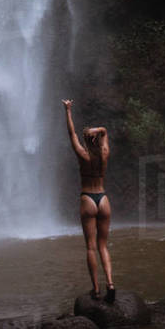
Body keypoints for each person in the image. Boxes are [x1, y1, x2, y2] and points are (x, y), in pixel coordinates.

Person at [62, 98, 114, 302]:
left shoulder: (82, 155)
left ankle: (96, 289)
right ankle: (111, 283)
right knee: (103, 246)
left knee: (91, 247)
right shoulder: (104, 153)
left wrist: (68, 110)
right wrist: (98, 130)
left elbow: (71, 133)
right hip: (103, 198)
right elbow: (105, 131)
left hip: (87, 199)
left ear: (85, 140)